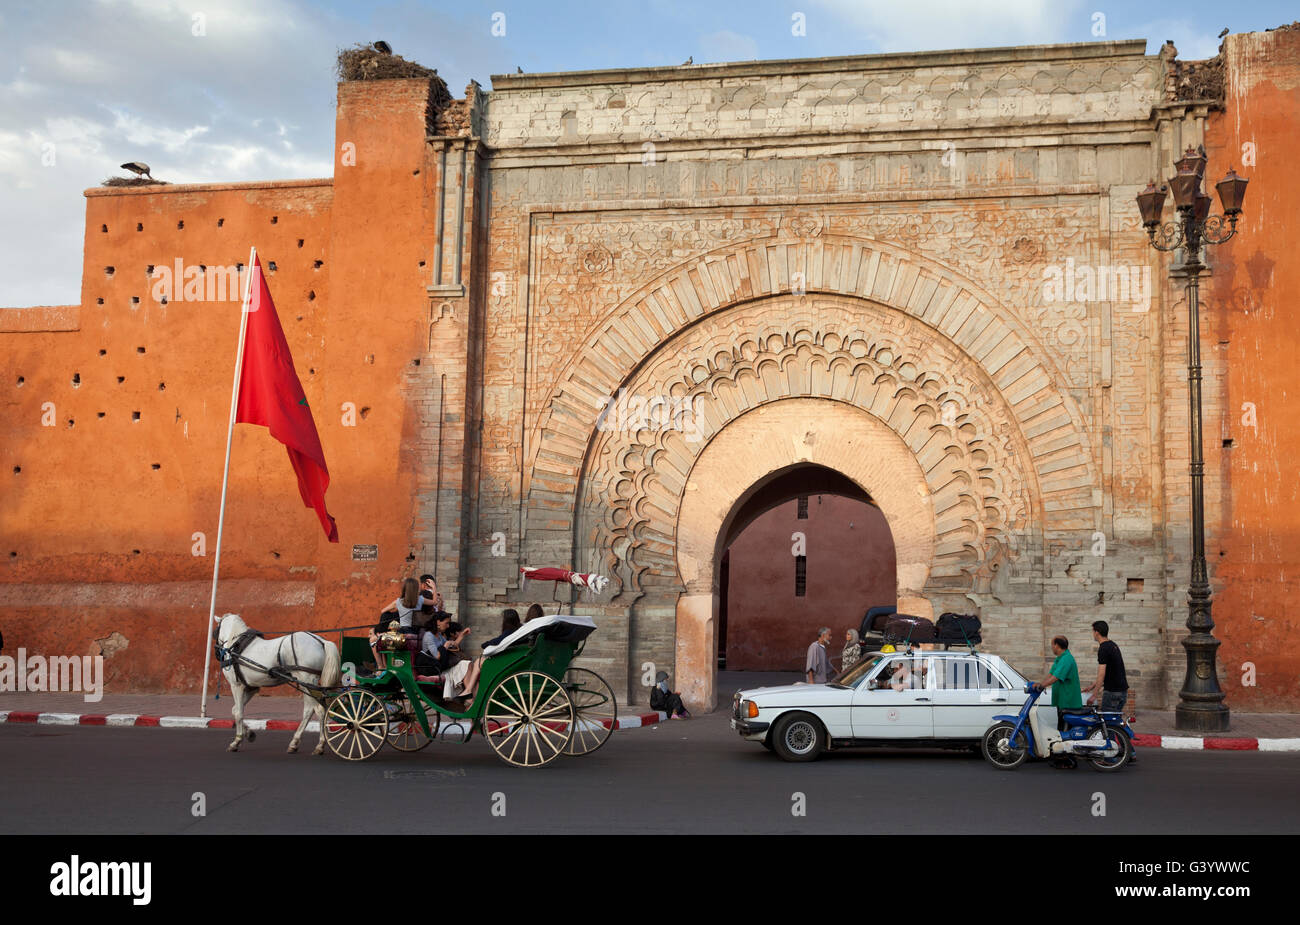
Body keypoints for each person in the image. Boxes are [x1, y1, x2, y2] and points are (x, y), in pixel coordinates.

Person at [1083, 620, 1136, 763]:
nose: (1092, 634)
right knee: (1116, 723)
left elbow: (1102, 674)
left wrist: (1094, 695)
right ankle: (1130, 752)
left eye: (1092, 631)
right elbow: (1110, 672)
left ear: (1097, 632)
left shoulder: (1103, 648)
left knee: (1108, 725)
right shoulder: (1113, 645)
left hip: (1112, 693)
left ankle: (1109, 755)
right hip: (1122, 692)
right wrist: (1093, 685)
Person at [1034, 635, 1082, 768]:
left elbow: (1056, 677)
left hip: (1069, 702)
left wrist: (1043, 686)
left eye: (1052, 644)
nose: (1051, 647)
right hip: (1062, 701)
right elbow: (1051, 674)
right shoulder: (1060, 659)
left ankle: (1069, 760)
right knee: (1061, 730)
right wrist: (1040, 684)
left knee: (1066, 732)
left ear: (1057, 645)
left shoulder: (1066, 659)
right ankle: (1061, 758)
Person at [440, 622, 483, 702]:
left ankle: (476, 698)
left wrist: (462, 634)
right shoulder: (444, 642)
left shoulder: (450, 642)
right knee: (466, 664)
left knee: (472, 669)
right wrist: (445, 646)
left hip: (456, 665)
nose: (447, 626)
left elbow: (455, 644)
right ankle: (469, 695)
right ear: (452, 633)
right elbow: (438, 656)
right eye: (458, 632)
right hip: (447, 668)